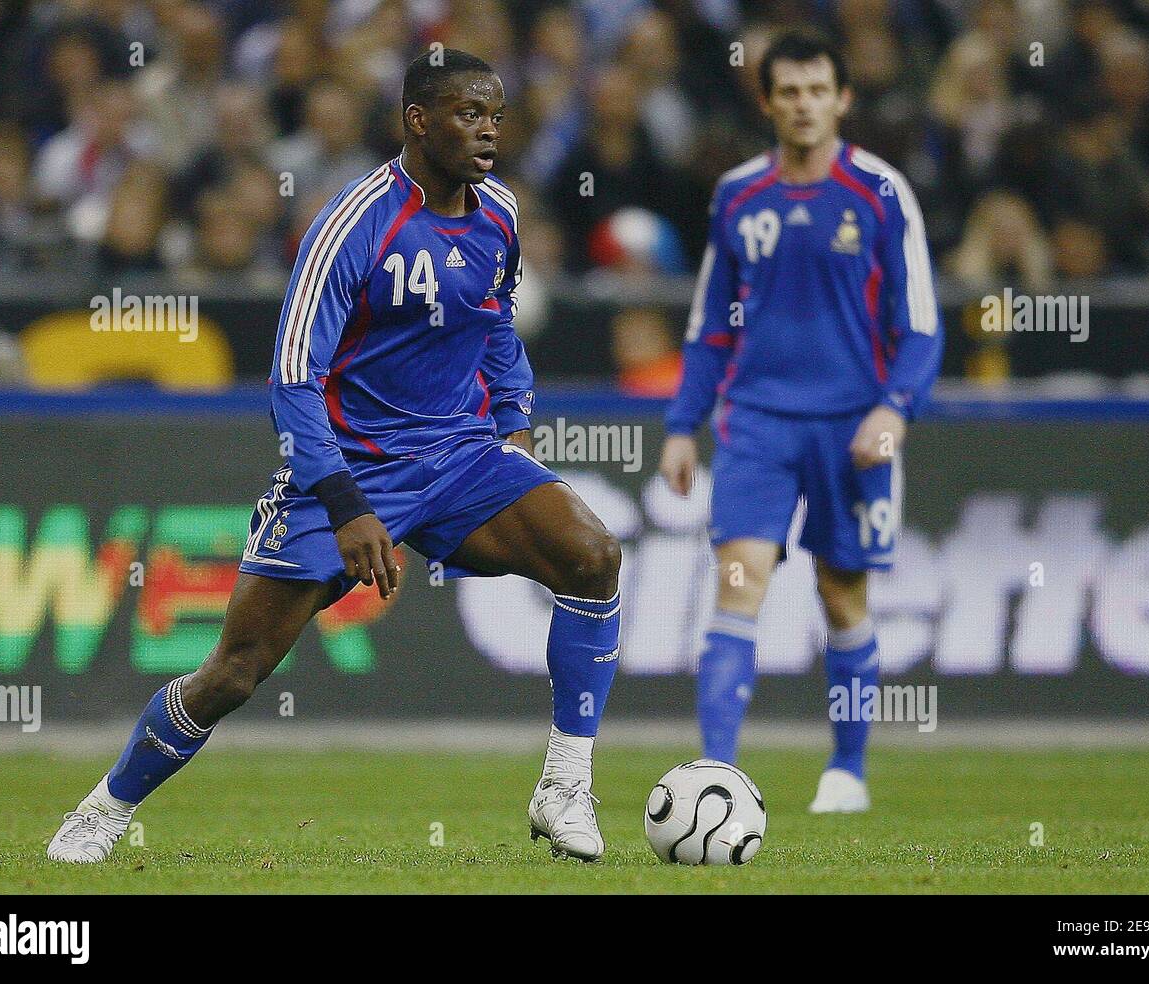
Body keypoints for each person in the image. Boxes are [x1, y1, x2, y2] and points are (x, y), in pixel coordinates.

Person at [47, 49, 622, 864]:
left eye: (496, 114)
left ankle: (564, 787)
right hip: (348, 472)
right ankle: (103, 810)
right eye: (468, 113)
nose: (489, 130)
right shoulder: (353, 222)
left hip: (459, 455)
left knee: (594, 556)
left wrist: (516, 429)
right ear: (418, 121)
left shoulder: (500, 212)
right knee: (236, 671)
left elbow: (494, 325)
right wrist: (348, 504)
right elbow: (291, 379)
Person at [659, 32, 943, 813]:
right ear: (768, 102)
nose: (804, 104)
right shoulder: (738, 197)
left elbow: (921, 325)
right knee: (737, 581)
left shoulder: (882, 193)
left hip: (853, 426)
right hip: (756, 423)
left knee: (842, 595)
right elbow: (711, 323)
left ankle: (846, 770)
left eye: (818, 90)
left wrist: (894, 407)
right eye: (789, 92)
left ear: (842, 99)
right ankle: (717, 774)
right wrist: (684, 423)